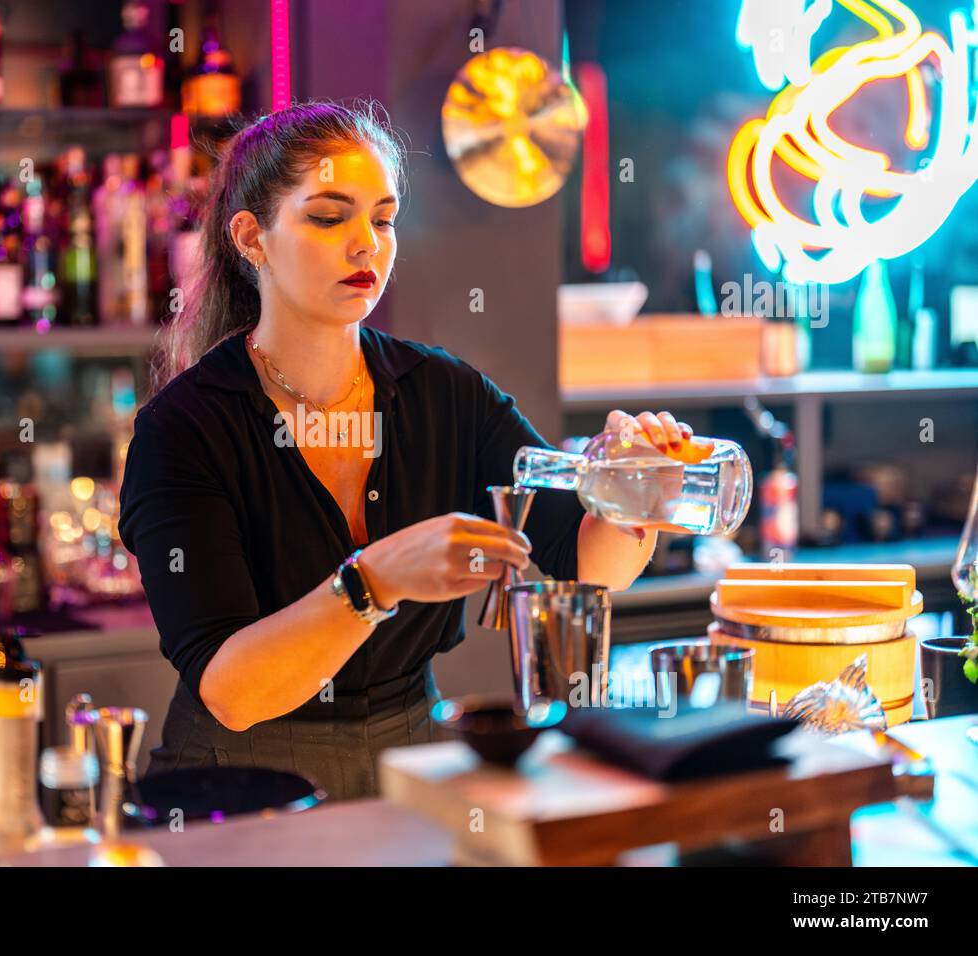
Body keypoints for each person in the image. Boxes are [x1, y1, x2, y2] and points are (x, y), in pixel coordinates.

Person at [118, 100, 697, 800]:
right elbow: (235, 693)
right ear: (251, 238)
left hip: (413, 764)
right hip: (243, 786)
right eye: (329, 217)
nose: (366, 244)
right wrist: (373, 581)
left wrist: (633, 496)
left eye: (383, 219)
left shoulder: (444, 394)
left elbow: (581, 565)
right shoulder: (185, 429)